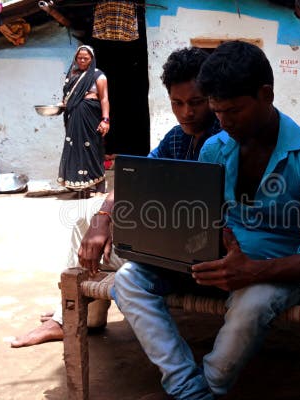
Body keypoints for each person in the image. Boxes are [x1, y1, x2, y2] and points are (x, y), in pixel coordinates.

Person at [112, 41, 300, 400]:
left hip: (274, 271)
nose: (224, 122)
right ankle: (188, 387)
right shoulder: (215, 147)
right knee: (128, 278)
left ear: (266, 94)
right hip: (214, 264)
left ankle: (203, 389)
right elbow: (204, 220)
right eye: (217, 111)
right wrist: (183, 247)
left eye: (233, 110)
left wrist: (251, 272)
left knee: (252, 305)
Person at [11, 47, 222, 348]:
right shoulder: (177, 137)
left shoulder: (224, 139)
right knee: (88, 221)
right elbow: (133, 180)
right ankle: (82, 314)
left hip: (201, 259)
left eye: (196, 102)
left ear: (212, 98)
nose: (186, 112)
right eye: (177, 103)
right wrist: (104, 219)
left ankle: (68, 316)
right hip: (170, 244)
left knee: (106, 238)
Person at [57, 45, 110, 193]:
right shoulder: (72, 75)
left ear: (91, 59)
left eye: (85, 58)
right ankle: (82, 185)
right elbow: (68, 97)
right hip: (74, 117)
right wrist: (62, 105)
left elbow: (104, 98)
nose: (82, 60)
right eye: (79, 58)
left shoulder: (98, 75)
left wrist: (105, 120)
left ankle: (99, 184)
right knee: (75, 149)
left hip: (90, 117)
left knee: (92, 148)